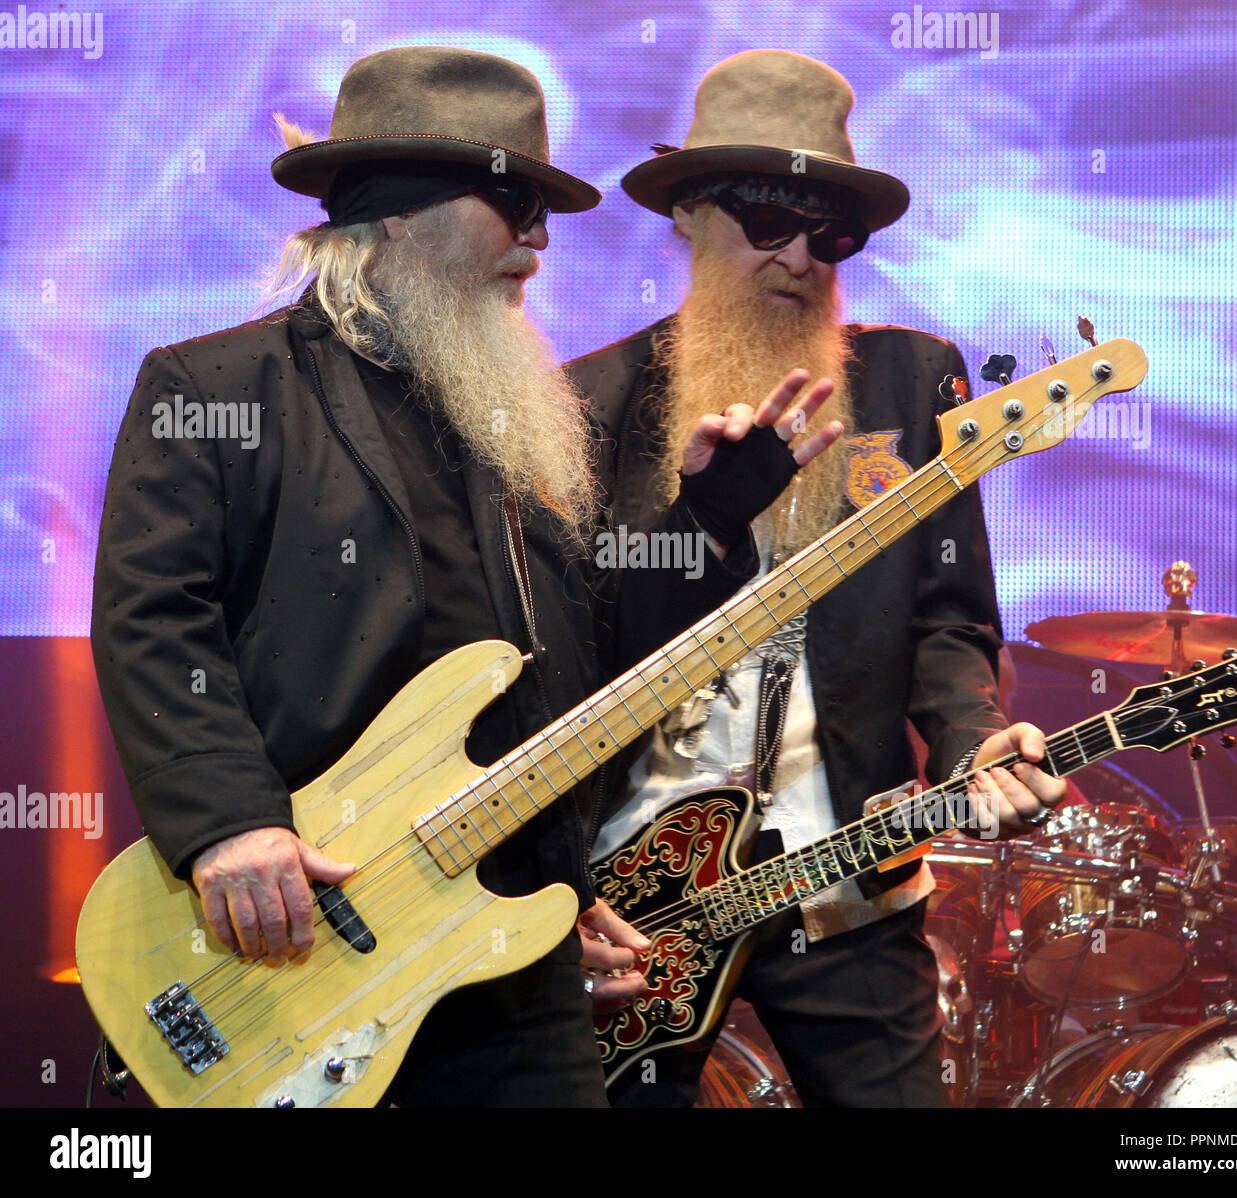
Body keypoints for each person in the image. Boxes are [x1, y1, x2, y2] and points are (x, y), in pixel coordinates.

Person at [88, 45, 840, 1107]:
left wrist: (712, 516)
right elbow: (153, 619)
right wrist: (226, 823)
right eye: (512, 203)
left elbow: (594, 660)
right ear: (400, 213)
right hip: (294, 936)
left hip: (503, 954)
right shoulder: (218, 385)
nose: (538, 241)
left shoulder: (517, 423)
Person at [566, 49, 1067, 1107]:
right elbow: (578, 644)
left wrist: (973, 740)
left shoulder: (910, 380)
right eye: (764, 220)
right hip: (633, 892)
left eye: (829, 234)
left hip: (845, 877)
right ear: (690, 214)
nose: (798, 255)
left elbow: (947, 616)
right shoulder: (590, 403)